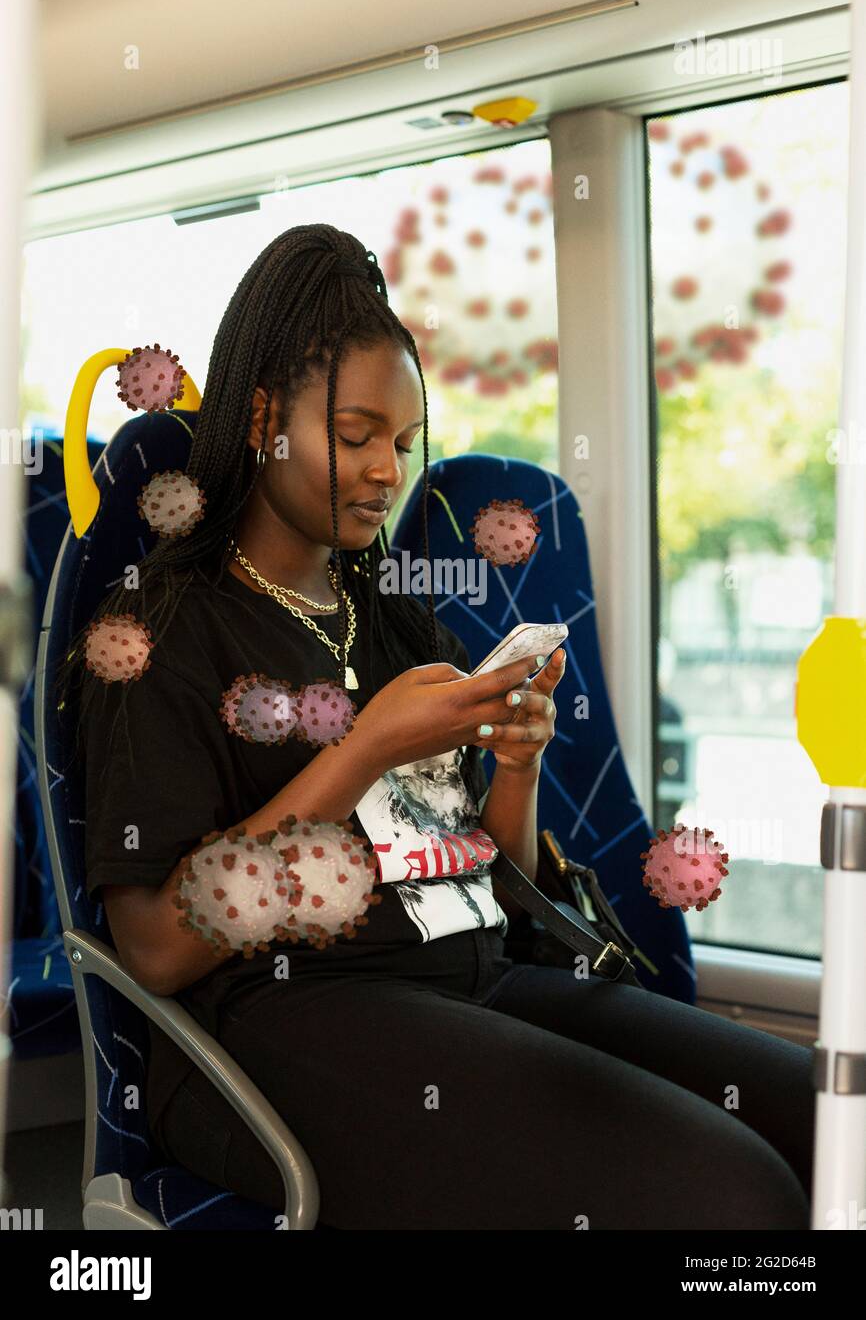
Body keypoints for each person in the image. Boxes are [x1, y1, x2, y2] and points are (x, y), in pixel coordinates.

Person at [58, 224, 815, 1230]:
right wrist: (365, 746)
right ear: (261, 417)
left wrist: (514, 759)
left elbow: (485, 875)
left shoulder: (394, 619)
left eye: (404, 445)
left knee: (819, 1118)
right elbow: (151, 946)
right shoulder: (159, 625)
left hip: (471, 974)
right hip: (282, 1016)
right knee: (728, 1194)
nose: (386, 472)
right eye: (357, 434)